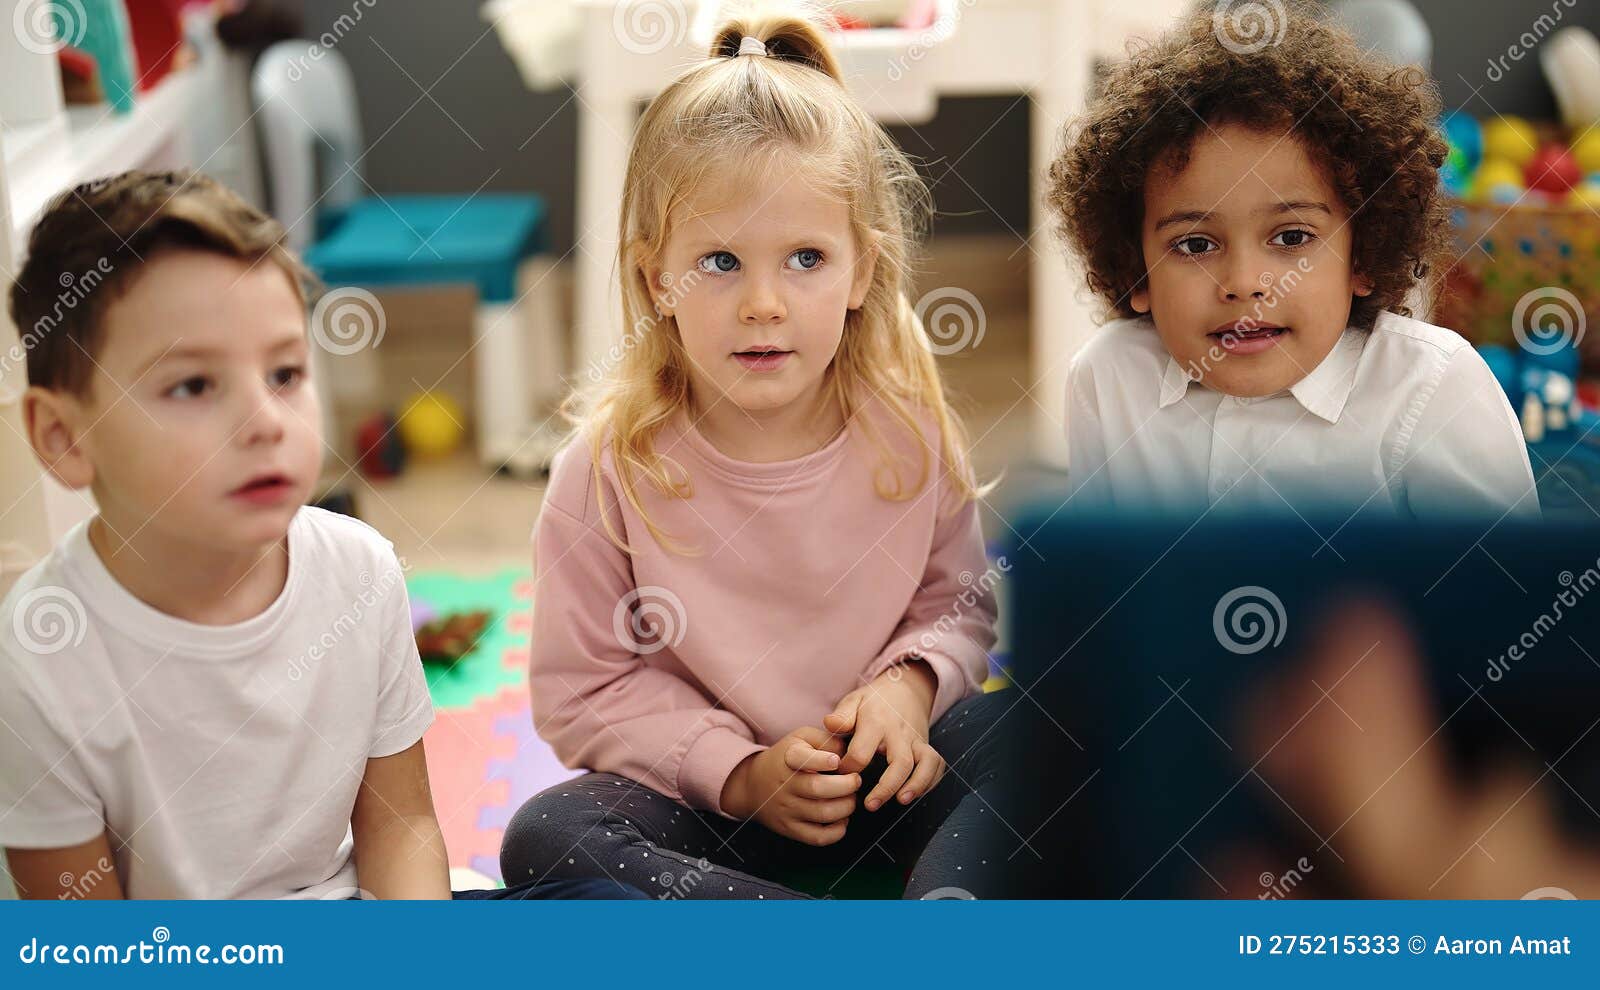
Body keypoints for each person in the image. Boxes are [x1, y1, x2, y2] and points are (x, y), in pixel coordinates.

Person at [0, 170, 638, 901]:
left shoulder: (358, 570)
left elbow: (401, 826)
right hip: (176, 956)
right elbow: (86, 950)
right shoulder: (37, 661)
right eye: (194, 385)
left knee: (607, 906)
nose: (265, 422)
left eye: (283, 373)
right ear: (63, 435)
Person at [498, 6, 1015, 899]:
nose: (764, 303)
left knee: (1049, 736)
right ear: (657, 279)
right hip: (710, 816)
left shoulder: (908, 428)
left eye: (806, 258)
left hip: (889, 784)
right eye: (721, 262)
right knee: (548, 836)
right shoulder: (604, 471)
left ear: (861, 270)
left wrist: (906, 689)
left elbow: (957, 606)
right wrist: (740, 774)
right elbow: (582, 693)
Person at [1048, 0, 1538, 519]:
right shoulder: (1107, 378)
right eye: (1196, 245)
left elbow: (1508, 572)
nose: (1244, 283)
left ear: (1363, 256)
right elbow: (1104, 564)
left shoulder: (1435, 389)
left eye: (1291, 237)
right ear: (1136, 269)